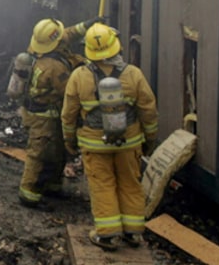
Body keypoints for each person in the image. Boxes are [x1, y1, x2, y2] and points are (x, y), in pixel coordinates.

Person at [61, 22, 158, 251]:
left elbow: (68, 114)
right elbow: (148, 110)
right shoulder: (133, 74)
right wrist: (150, 140)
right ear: (116, 47)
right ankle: (133, 233)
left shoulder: (79, 76)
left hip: (94, 144)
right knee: (130, 184)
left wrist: (69, 141)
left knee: (102, 185)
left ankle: (106, 235)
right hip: (129, 142)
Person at [15, 16, 100, 208]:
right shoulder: (53, 67)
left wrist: (86, 25)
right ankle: (29, 194)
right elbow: (70, 89)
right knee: (39, 154)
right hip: (42, 118)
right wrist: (85, 70)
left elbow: (67, 34)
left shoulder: (40, 46)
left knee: (58, 152)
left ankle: (53, 186)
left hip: (49, 115)